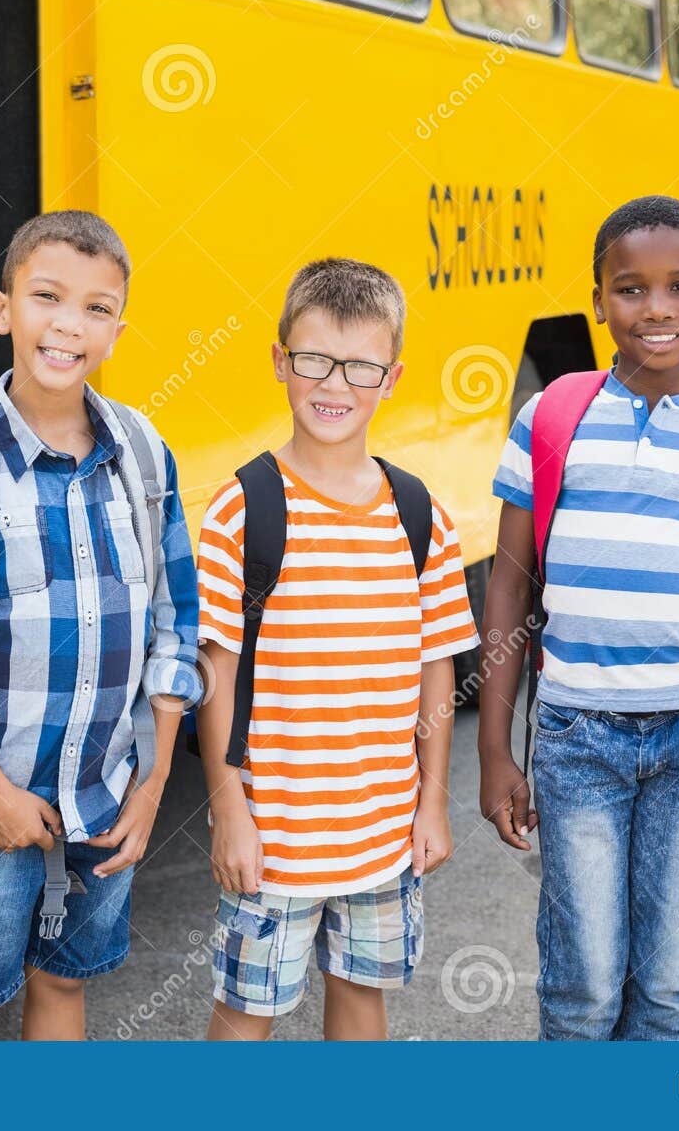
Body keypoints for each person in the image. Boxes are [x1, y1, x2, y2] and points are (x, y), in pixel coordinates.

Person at [478, 195, 679, 1040]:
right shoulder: (551, 417)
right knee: (581, 986)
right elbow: (508, 590)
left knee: (662, 988)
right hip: (580, 733)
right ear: (599, 299)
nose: (657, 310)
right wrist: (495, 747)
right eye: (631, 289)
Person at [0, 210, 201, 1040]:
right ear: (3, 310)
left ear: (119, 328)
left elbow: (176, 628)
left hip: (109, 790)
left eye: (97, 308)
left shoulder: (144, 453)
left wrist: (155, 781)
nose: (69, 324)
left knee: (63, 985)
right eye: (47, 297)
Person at [196, 258, 479, 1039]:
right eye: (315, 359)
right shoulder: (241, 510)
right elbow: (214, 675)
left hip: (382, 829)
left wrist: (431, 802)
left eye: (361, 366)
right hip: (274, 834)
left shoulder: (421, 516)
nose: (335, 383)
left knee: (360, 1002)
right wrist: (229, 811)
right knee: (244, 1013)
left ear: (392, 378)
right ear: (280, 360)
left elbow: (436, 671)